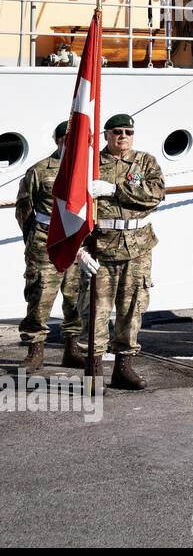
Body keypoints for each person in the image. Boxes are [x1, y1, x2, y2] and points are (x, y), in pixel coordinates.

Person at [85, 113, 166, 389]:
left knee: (132, 309)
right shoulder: (91, 164)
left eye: (128, 132)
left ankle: (123, 368)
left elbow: (154, 195)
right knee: (98, 310)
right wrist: (79, 250)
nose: (123, 136)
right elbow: (75, 206)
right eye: (117, 131)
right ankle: (94, 372)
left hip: (138, 245)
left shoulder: (145, 161)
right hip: (101, 246)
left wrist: (114, 190)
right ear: (106, 135)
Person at [15, 120, 85, 372]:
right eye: (66, 139)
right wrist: (33, 236)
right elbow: (24, 208)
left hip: (77, 242)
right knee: (40, 295)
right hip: (44, 241)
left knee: (74, 297)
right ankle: (35, 351)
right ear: (58, 141)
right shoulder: (40, 170)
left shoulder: (88, 170)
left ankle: (72, 349)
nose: (71, 144)